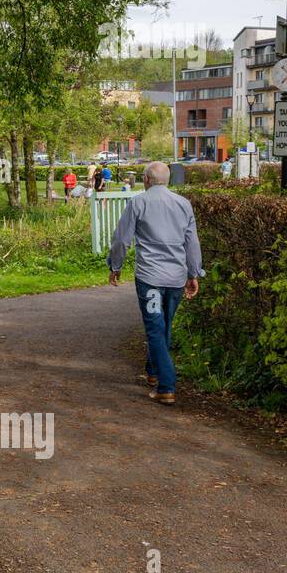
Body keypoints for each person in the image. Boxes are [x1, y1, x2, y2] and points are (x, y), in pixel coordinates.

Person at [107, 162, 203, 405]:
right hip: (176, 278)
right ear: (167, 180)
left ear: (147, 180)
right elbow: (191, 243)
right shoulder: (183, 204)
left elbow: (122, 239)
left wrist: (115, 266)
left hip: (150, 278)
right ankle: (152, 372)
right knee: (164, 325)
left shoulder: (138, 202)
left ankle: (166, 385)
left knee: (154, 328)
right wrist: (193, 273)